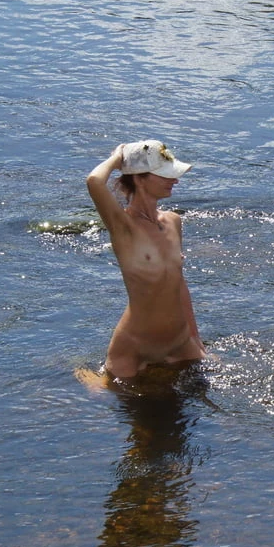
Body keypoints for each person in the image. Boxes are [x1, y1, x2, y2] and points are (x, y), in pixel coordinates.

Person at [86, 140, 206, 380]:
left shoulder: (173, 220)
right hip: (136, 347)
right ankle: (84, 374)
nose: (175, 180)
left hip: (180, 340)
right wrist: (117, 157)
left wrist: (196, 339)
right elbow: (94, 181)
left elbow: (178, 282)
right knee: (123, 407)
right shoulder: (124, 227)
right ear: (139, 178)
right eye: (164, 175)